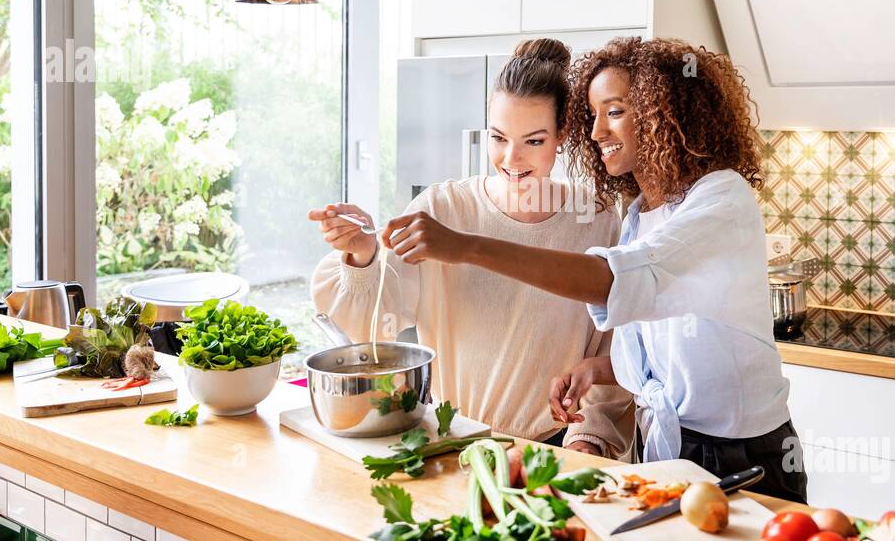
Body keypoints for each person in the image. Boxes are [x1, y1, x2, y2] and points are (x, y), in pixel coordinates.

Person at [378, 37, 808, 502]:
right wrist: (599, 370)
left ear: (666, 110)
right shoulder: (639, 215)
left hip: (743, 453)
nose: (598, 131)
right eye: (593, 114)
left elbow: (613, 280)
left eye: (615, 111)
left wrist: (466, 246)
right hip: (664, 444)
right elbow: (663, 346)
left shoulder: (721, 199)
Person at [308, 38, 632, 457]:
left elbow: (614, 349)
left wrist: (588, 437)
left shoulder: (597, 219)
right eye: (499, 138)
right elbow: (375, 325)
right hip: (448, 441)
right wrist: (362, 255)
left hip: (553, 453)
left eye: (533, 141)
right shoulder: (442, 209)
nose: (512, 159)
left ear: (562, 134)